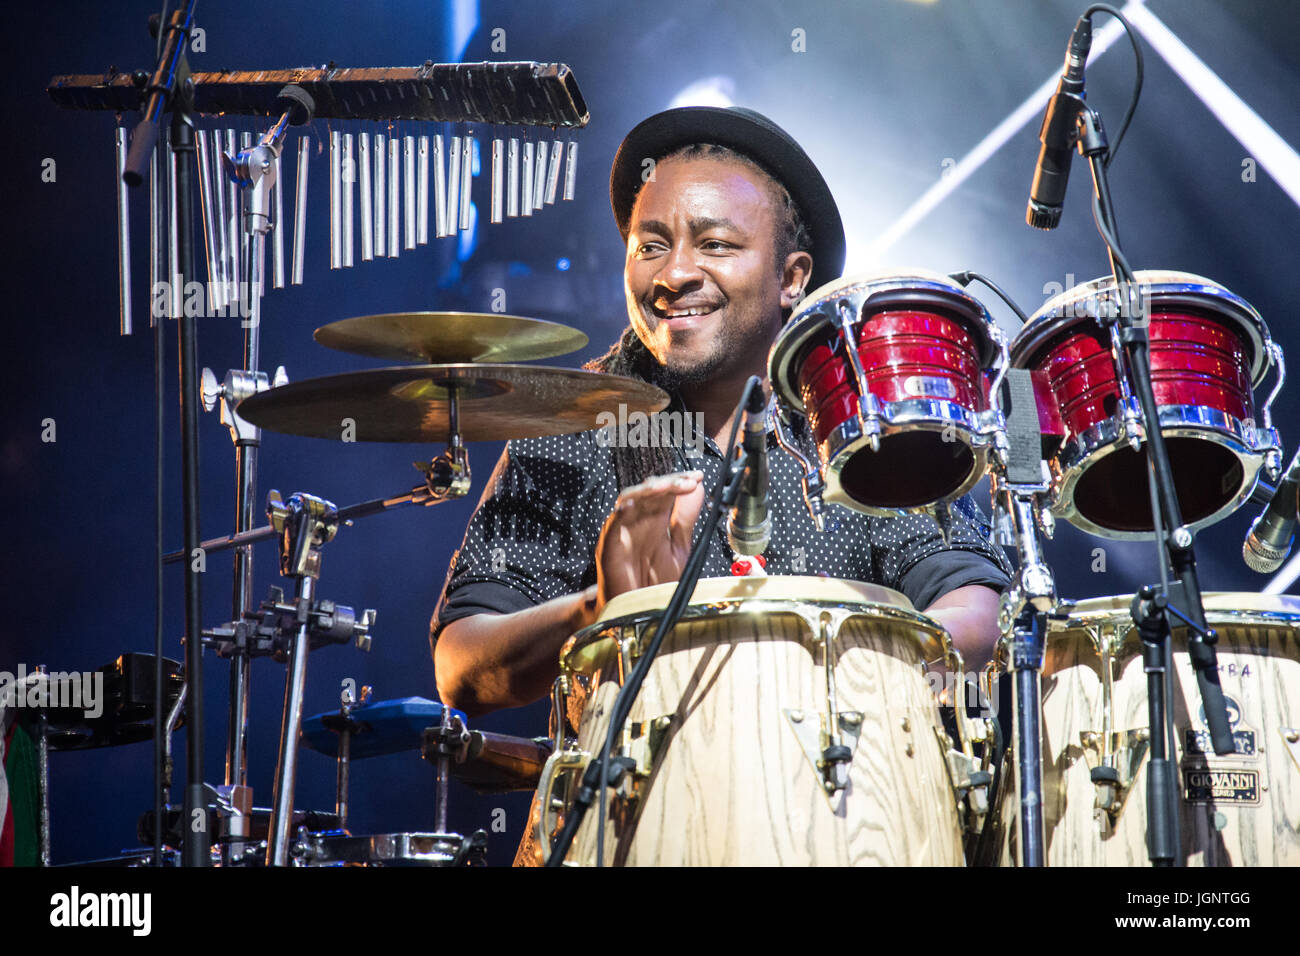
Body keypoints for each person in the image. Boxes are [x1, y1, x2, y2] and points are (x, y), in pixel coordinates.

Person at [430, 107, 1012, 859]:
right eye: (651, 246)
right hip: (639, 828)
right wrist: (602, 611)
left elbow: (975, 608)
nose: (674, 274)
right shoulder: (571, 423)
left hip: (850, 824)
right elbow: (461, 667)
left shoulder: (855, 420)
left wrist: (856, 631)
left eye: (715, 244)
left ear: (791, 279)